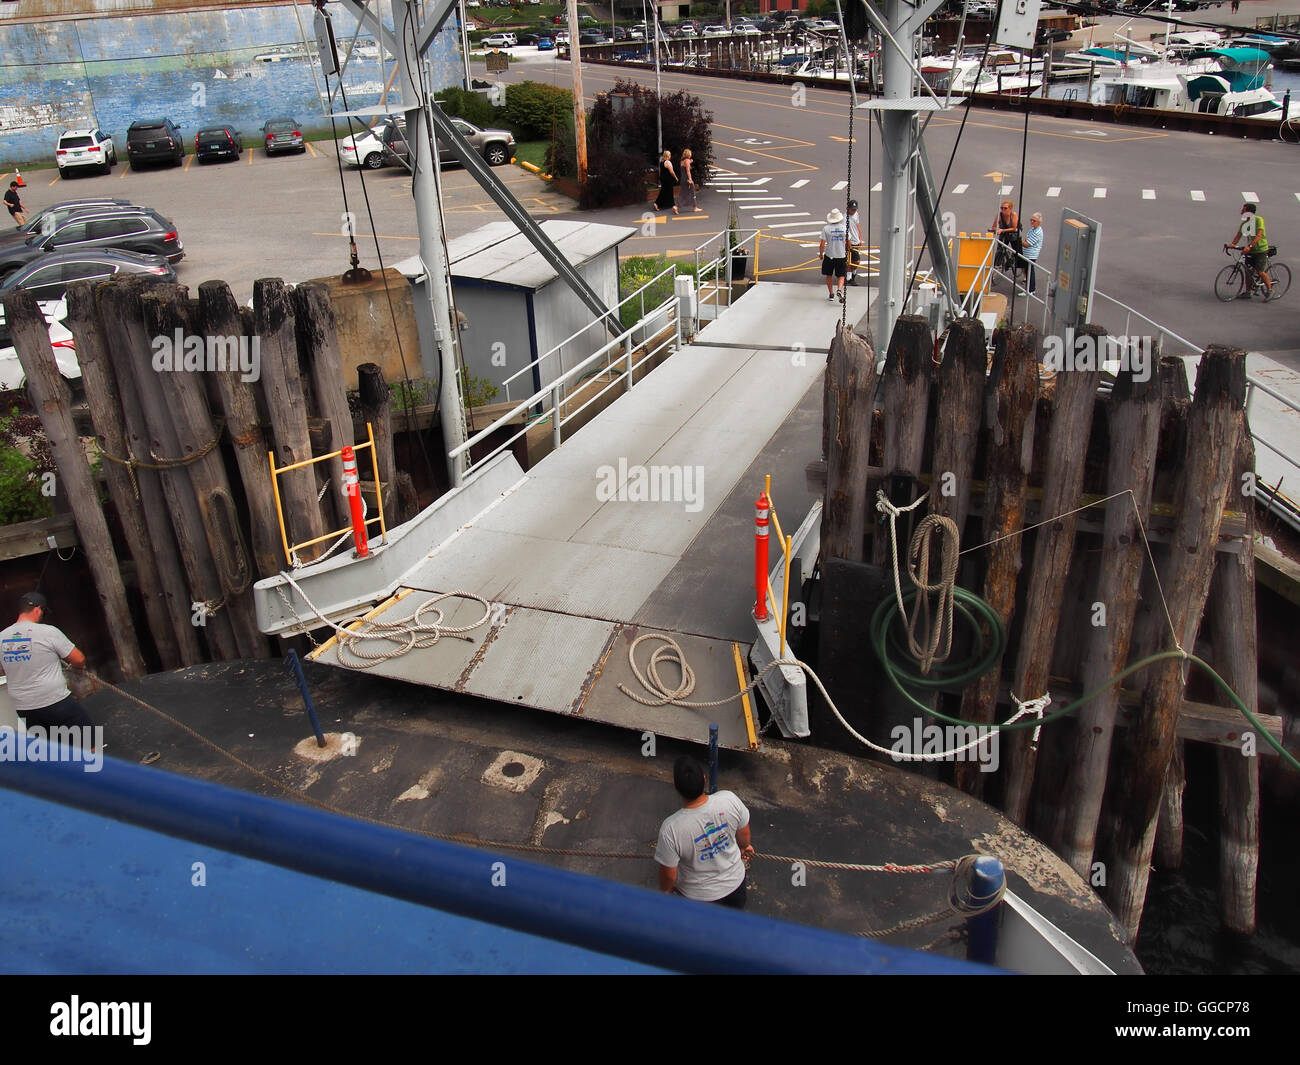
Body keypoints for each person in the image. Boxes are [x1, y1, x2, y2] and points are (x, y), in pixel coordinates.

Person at [654, 756, 754, 908]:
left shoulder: (671, 828)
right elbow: (744, 835)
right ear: (704, 778)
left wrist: (666, 891)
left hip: (697, 898)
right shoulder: (729, 800)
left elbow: (669, 875)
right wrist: (744, 846)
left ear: (676, 786)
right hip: (735, 887)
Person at [0, 591, 94, 739]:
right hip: (53, 700)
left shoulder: (2, 637)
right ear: (38, 609)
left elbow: (4, 669)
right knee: (86, 738)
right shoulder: (47, 631)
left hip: (23, 707)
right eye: (43, 612)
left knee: (50, 746)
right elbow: (79, 658)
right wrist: (77, 668)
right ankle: (90, 760)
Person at [1227, 202, 1271, 296]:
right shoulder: (1245, 224)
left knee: (1260, 271)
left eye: (1243, 210)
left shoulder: (1259, 220)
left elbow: (1259, 235)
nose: (1241, 212)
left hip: (1260, 250)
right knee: (1248, 271)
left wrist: (1249, 246)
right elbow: (1238, 236)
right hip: (1251, 250)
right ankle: (1248, 292)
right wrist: (1232, 244)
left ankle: (1270, 289)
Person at [819, 207, 848, 303]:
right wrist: (849, 248)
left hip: (829, 255)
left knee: (829, 275)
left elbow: (822, 243)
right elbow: (848, 241)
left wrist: (821, 254)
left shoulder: (826, 228)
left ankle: (831, 294)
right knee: (841, 275)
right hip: (841, 255)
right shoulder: (844, 228)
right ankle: (839, 290)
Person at [992, 199, 1020, 273]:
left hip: (1013, 235)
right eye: (1002, 208)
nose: (1003, 210)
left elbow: (1014, 228)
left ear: (1010, 209)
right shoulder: (1000, 215)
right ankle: (997, 265)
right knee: (1000, 249)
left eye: (1005, 208)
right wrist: (997, 230)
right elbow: (994, 226)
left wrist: (1002, 230)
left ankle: (1011, 262)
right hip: (1004, 235)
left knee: (1017, 253)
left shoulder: (1013, 215)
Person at [1020, 211, 1043, 293]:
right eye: (1031, 220)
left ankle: (1030, 290)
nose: (1032, 222)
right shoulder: (1033, 229)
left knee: (1030, 272)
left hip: (1031, 255)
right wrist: (1024, 241)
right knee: (1028, 271)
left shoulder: (1036, 232)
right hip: (1027, 254)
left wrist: (1020, 241)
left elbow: (1027, 244)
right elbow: (1026, 239)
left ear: (1039, 222)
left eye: (1034, 221)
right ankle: (1030, 289)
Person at [654, 149, 678, 215]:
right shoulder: (668, 162)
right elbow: (671, 172)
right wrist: (675, 177)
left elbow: (660, 171)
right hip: (668, 179)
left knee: (663, 191)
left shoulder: (662, 162)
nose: (670, 156)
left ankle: (657, 203)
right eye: (670, 154)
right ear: (667, 155)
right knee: (670, 191)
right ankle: (673, 205)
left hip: (663, 178)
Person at [845, 199, 862, 286]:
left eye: (855, 209)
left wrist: (860, 238)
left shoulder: (856, 215)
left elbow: (858, 225)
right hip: (850, 242)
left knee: (855, 261)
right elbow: (845, 232)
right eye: (852, 209)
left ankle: (852, 274)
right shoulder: (845, 218)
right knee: (851, 260)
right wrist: (848, 242)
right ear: (848, 208)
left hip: (856, 241)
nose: (854, 211)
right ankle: (849, 278)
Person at [678, 148, 701, 213]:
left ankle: (694, 206)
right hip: (687, 179)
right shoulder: (687, 160)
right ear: (689, 154)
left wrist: (690, 162)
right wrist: (690, 179)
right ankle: (695, 207)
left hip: (683, 178)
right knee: (692, 192)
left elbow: (684, 167)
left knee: (683, 193)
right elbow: (688, 171)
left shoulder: (682, 161)